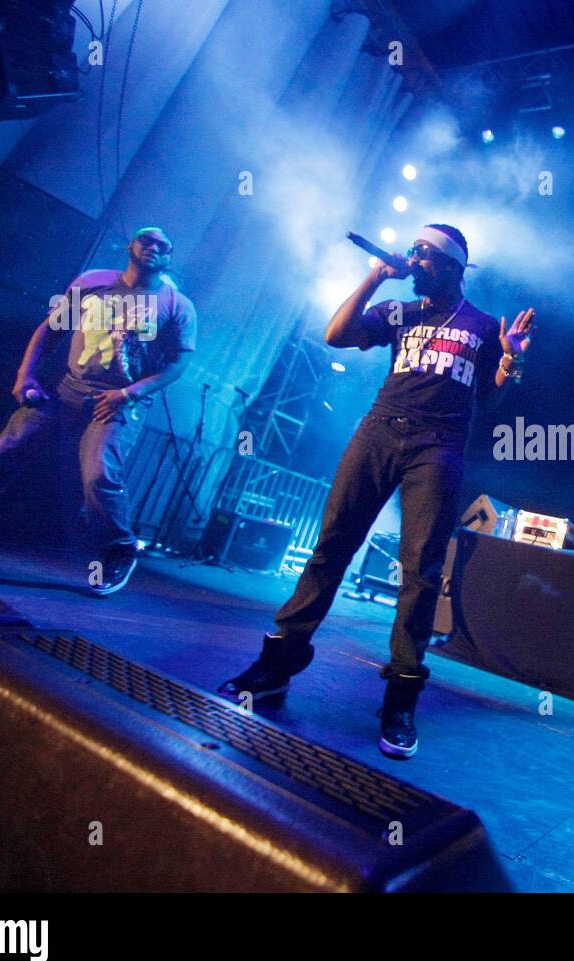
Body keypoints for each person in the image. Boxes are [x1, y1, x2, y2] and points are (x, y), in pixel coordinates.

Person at [218, 223, 536, 760]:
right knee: (331, 546)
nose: (413, 259)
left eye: (424, 254)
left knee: (422, 569)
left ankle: (401, 697)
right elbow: (335, 335)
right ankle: (278, 664)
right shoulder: (398, 312)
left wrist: (511, 358)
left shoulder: (482, 325)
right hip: (379, 429)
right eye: (410, 251)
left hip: (439, 445)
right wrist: (374, 277)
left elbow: (489, 400)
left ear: (454, 266)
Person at [0, 227, 196, 596]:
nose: (153, 248)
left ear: (169, 257)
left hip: (118, 401)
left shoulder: (176, 304)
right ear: (131, 246)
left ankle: (118, 549)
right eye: (146, 240)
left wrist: (129, 393)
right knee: (2, 453)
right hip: (68, 390)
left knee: (99, 474)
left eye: (162, 246)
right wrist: (26, 375)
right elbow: (50, 330)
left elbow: (179, 364)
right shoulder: (92, 282)